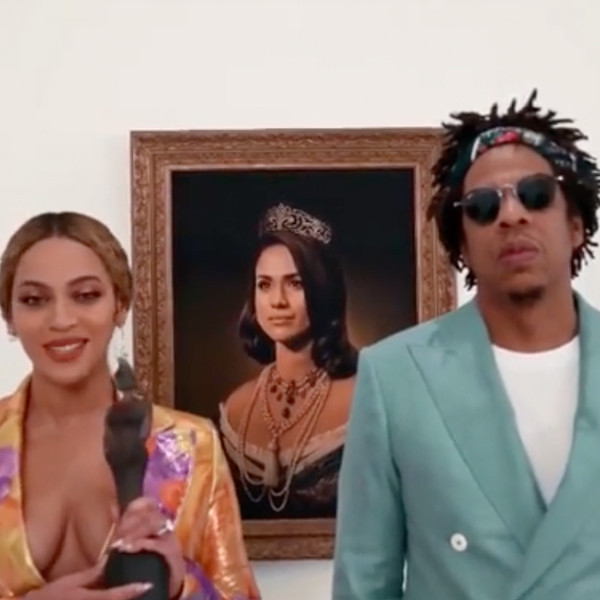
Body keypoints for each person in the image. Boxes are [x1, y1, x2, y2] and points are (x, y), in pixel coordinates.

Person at [332, 90, 600, 599]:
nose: (511, 215)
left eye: (536, 194)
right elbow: (363, 580)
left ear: (576, 225)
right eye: (482, 206)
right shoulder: (396, 376)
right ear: (462, 245)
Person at [0, 212, 260, 600]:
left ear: (120, 305)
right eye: (34, 300)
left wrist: (180, 586)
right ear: (10, 315)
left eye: (86, 295)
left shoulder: (191, 447)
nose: (61, 319)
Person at [219, 203, 357, 519]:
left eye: (296, 283)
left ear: (323, 289)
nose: (278, 301)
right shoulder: (236, 407)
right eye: (265, 285)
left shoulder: (366, 394)